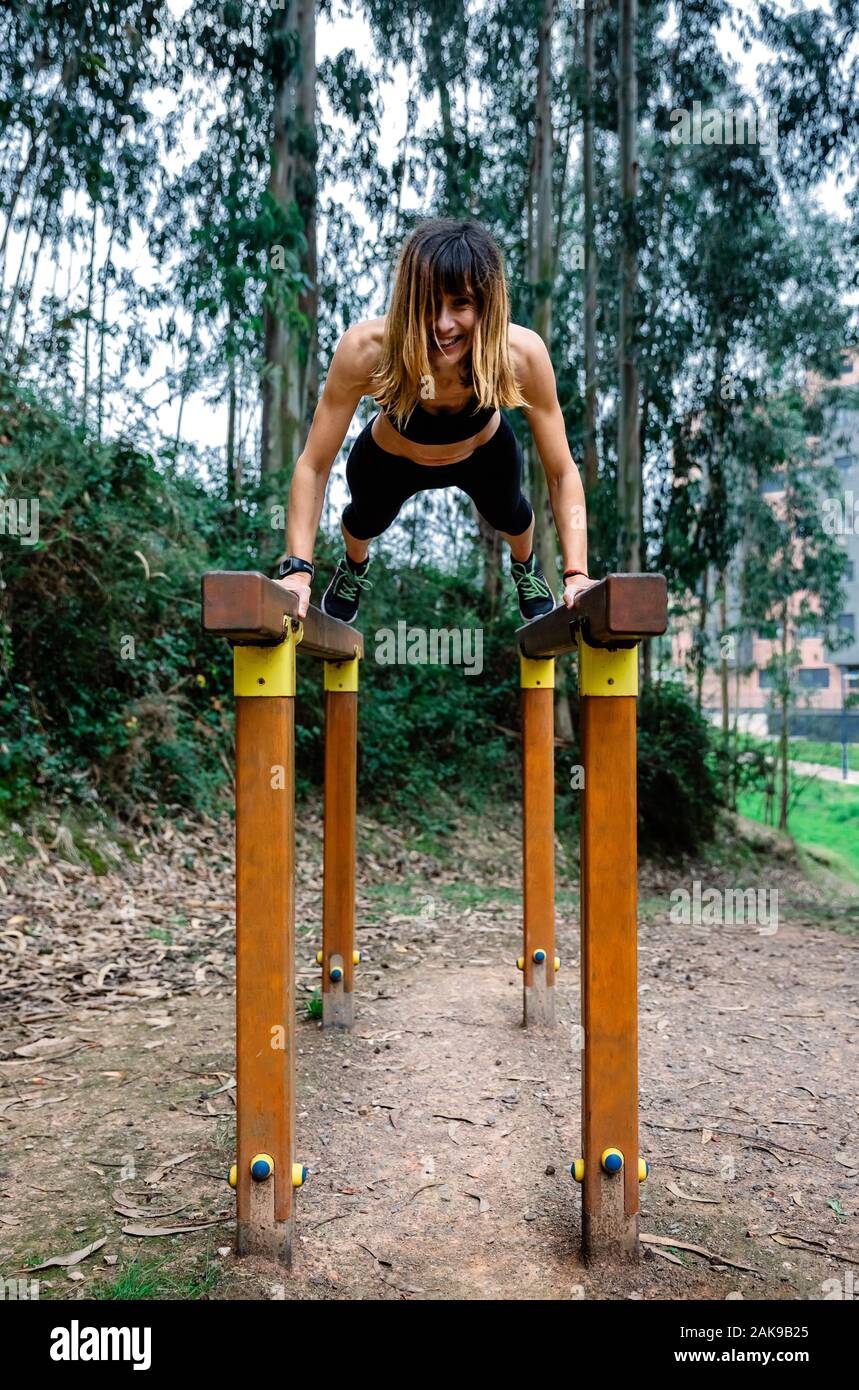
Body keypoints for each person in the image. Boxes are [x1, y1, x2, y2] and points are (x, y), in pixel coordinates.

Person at [276, 218, 595, 625]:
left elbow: (562, 472)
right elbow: (314, 465)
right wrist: (298, 571)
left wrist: (577, 573)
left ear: (486, 303)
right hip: (391, 458)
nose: (442, 324)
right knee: (362, 521)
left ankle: (525, 566)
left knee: (512, 514)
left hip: (482, 454)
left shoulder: (521, 355)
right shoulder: (367, 349)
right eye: (429, 303)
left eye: (460, 304)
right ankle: (354, 568)